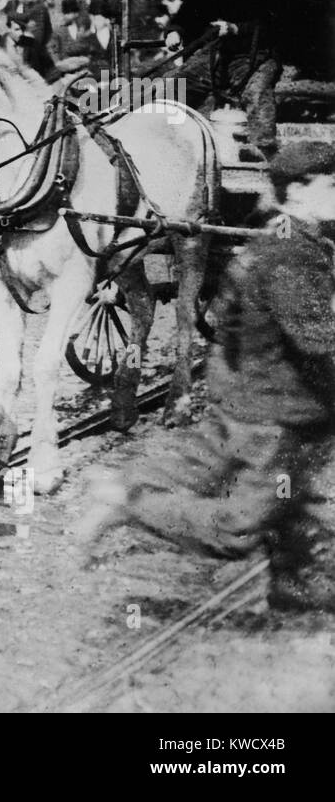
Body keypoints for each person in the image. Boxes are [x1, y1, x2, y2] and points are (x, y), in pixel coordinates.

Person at [80, 142, 335, 611]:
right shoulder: (290, 254)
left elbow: (225, 323)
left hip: (271, 404)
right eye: (332, 184)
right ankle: (129, 503)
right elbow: (321, 343)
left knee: (299, 499)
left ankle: (301, 584)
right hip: (277, 411)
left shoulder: (287, 240)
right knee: (239, 528)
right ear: (298, 191)